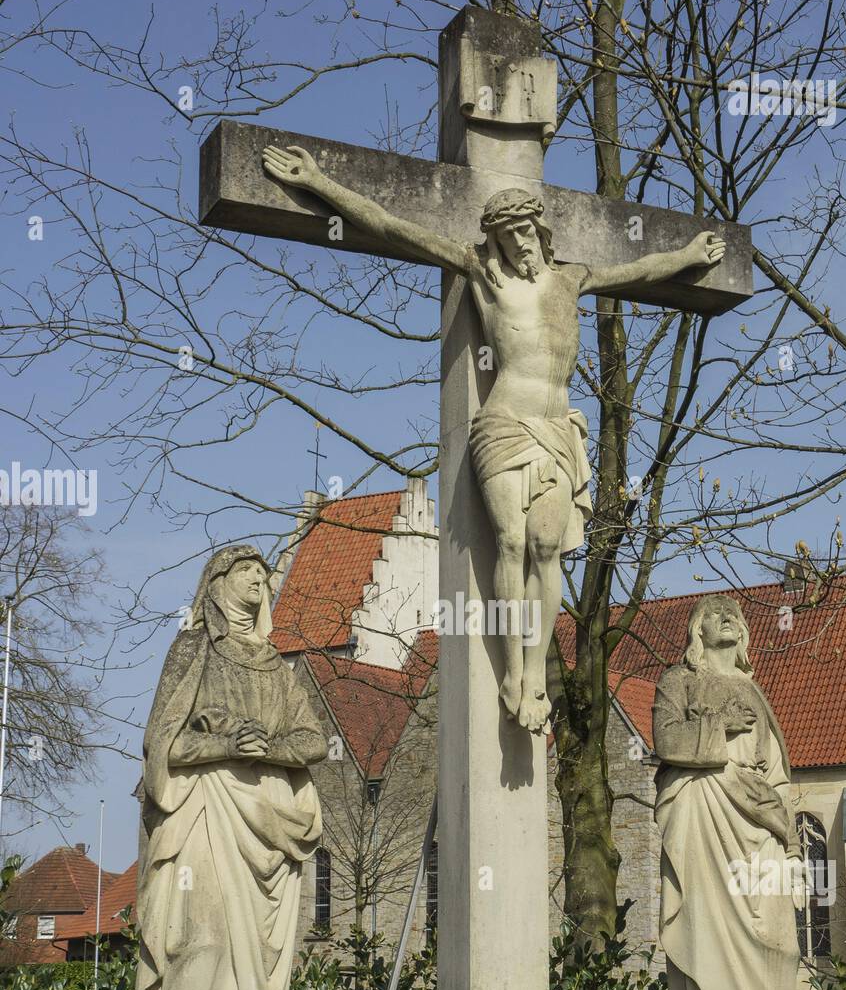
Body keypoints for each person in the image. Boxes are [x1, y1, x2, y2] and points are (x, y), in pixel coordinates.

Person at [262, 145, 725, 731]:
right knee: (510, 541)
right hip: (504, 425)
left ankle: (535, 670)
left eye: (526, 232)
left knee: (546, 548)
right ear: (496, 241)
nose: (520, 244)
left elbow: (637, 271)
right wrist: (322, 183)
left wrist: (686, 254)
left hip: (557, 429)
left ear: (540, 230)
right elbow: (390, 224)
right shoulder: (481, 273)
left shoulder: (572, 279)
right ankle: (512, 672)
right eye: (508, 236)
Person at [126, 546, 328, 990]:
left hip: (266, 828)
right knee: (204, 943)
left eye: (263, 573)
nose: (257, 580)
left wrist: (267, 745)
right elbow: (162, 745)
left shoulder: (277, 667)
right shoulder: (192, 652)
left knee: (255, 971)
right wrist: (222, 746)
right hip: (204, 815)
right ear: (215, 584)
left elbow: (313, 740)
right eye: (245, 570)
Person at [652, 594, 821, 990]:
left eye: (735, 614)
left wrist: (790, 844)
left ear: (745, 633)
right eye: (714, 613)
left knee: (777, 943)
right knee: (710, 940)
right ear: (696, 630)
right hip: (704, 813)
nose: (727, 618)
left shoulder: (757, 691)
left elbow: (779, 775)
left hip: (759, 820)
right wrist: (717, 729)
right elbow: (665, 741)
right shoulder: (677, 680)